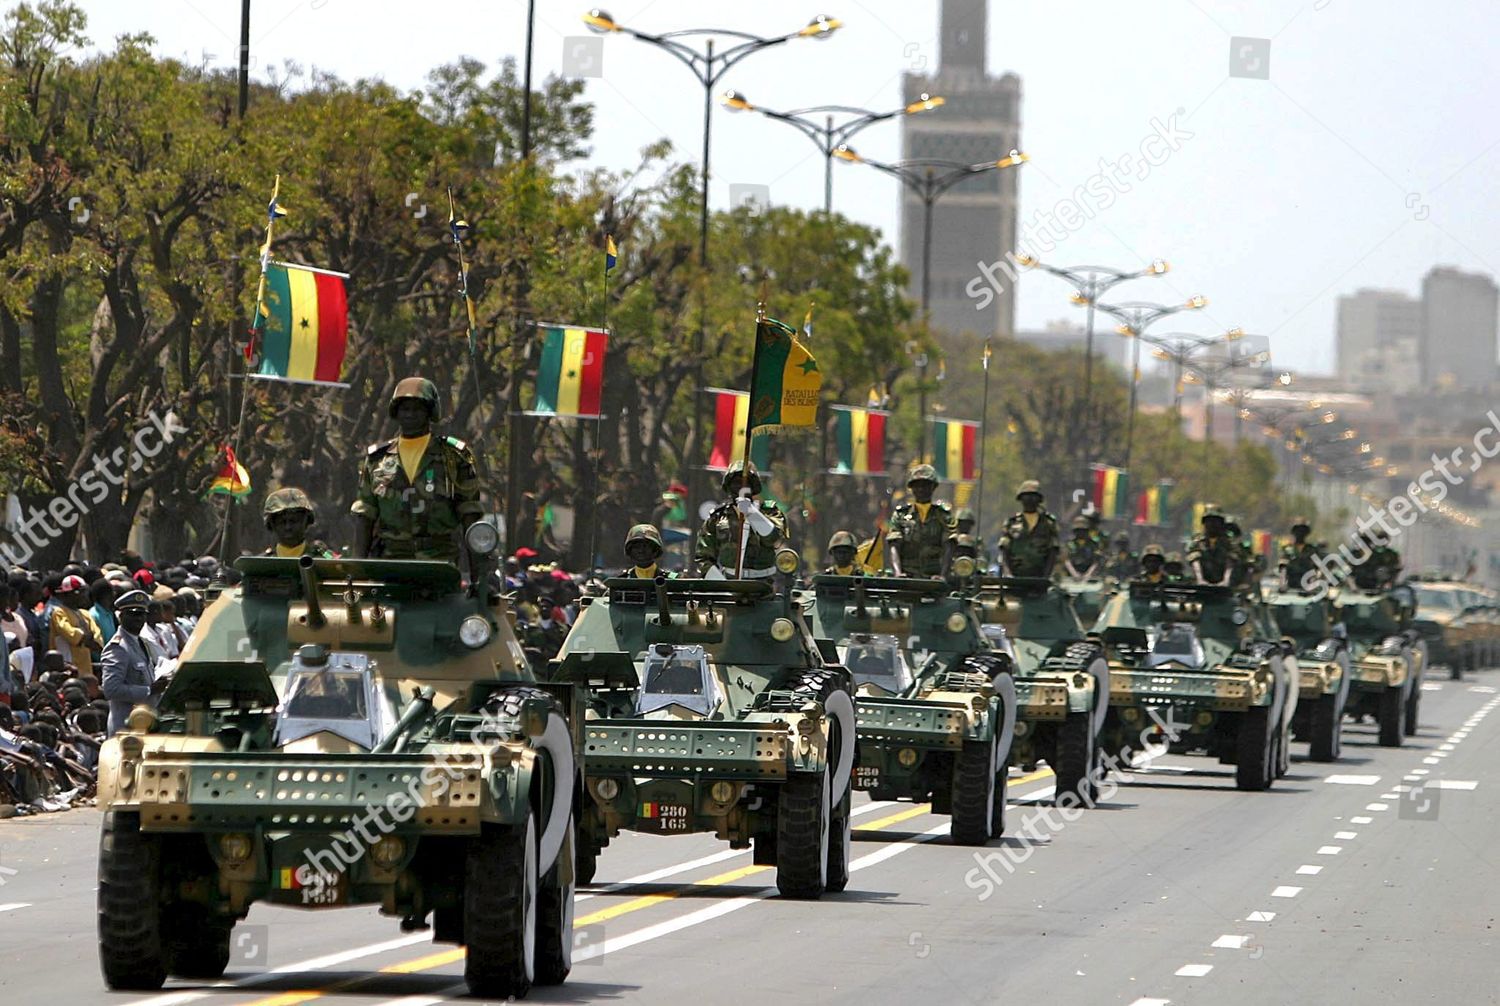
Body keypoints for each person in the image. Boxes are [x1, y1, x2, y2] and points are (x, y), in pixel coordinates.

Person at [352, 377, 483, 566]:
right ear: (396, 412)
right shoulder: (378, 459)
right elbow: (365, 514)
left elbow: (470, 514)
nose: (410, 414)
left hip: (439, 561)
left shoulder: (454, 456)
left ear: (430, 412)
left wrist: (477, 577)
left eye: (417, 408)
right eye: (404, 408)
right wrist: (358, 569)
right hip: (390, 563)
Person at [694, 461, 787, 578]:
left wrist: (751, 512)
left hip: (763, 583)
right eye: (736, 482)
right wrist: (720, 584)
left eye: (746, 482)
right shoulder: (717, 517)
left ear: (753, 486)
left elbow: (773, 537)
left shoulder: (769, 512)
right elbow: (703, 557)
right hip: (729, 582)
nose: (741, 487)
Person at [99, 590, 171, 734]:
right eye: (133, 614)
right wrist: (149, 690)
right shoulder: (118, 648)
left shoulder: (141, 642)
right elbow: (111, 689)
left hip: (147, 724)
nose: (138, 619)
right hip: (126, 729)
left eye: (142, 614)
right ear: (121, 616)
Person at [887, 465, 954, 578]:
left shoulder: (944, 516)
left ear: (933, 487)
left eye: (925, 485)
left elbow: (949, 547)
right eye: (917, 486)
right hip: (907, 577)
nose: (921, 489)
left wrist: (943, 576)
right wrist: (898, 573)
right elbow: (894, 546)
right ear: (912, 488)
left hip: (934, 577)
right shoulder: (900, 515)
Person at [999, 480, 1060, 579]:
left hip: (1040, 578)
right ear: (1020, 498)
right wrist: (1008, 573)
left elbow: (1053, 551)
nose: (1030, 499)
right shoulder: (1011, 522)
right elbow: (1004, 551)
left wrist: (1046, 576)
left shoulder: (1048, 523)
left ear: (1039, 499)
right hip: (1015, 578)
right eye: (1026, 496)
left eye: (1033, 496)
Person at [48, 574, 102, 678]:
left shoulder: (85, 614)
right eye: (81, 592)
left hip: (85, 667)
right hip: (68, 668)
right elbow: (69, 633)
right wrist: (85, 638)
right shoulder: (59, 613)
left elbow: (97, 634)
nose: (84, 596)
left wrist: (95, 641)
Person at [261, 487, 337, 558]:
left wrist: (326, 555)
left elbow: (340, 565)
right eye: (282, 522)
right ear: (272, 525)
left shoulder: (323, 555)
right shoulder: (262, 562)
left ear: (306, 522)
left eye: (294, 521)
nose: (288, 527)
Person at [1187, 505, 1239, 586]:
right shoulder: (1197, 541)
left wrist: (1225, 581)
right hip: (1201, 585)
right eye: (1209, 521)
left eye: (1216, 521)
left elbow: (1230, 562)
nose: (1212, 525)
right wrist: (1200, 580)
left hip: (1225, 586)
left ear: (1221, 524)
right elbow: (1195, 561)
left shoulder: (1229, 542)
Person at [1280, 517, 1322, 592]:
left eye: (1303, 530)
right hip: (1291, 586)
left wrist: (1311, 586)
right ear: (1293, 532)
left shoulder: (1312, 550)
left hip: (1308, 586)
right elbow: (1283, 569)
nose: (1300, 533)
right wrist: (1282, 585)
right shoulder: (1287, 549)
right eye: (1297, 530)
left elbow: (1316, 570)